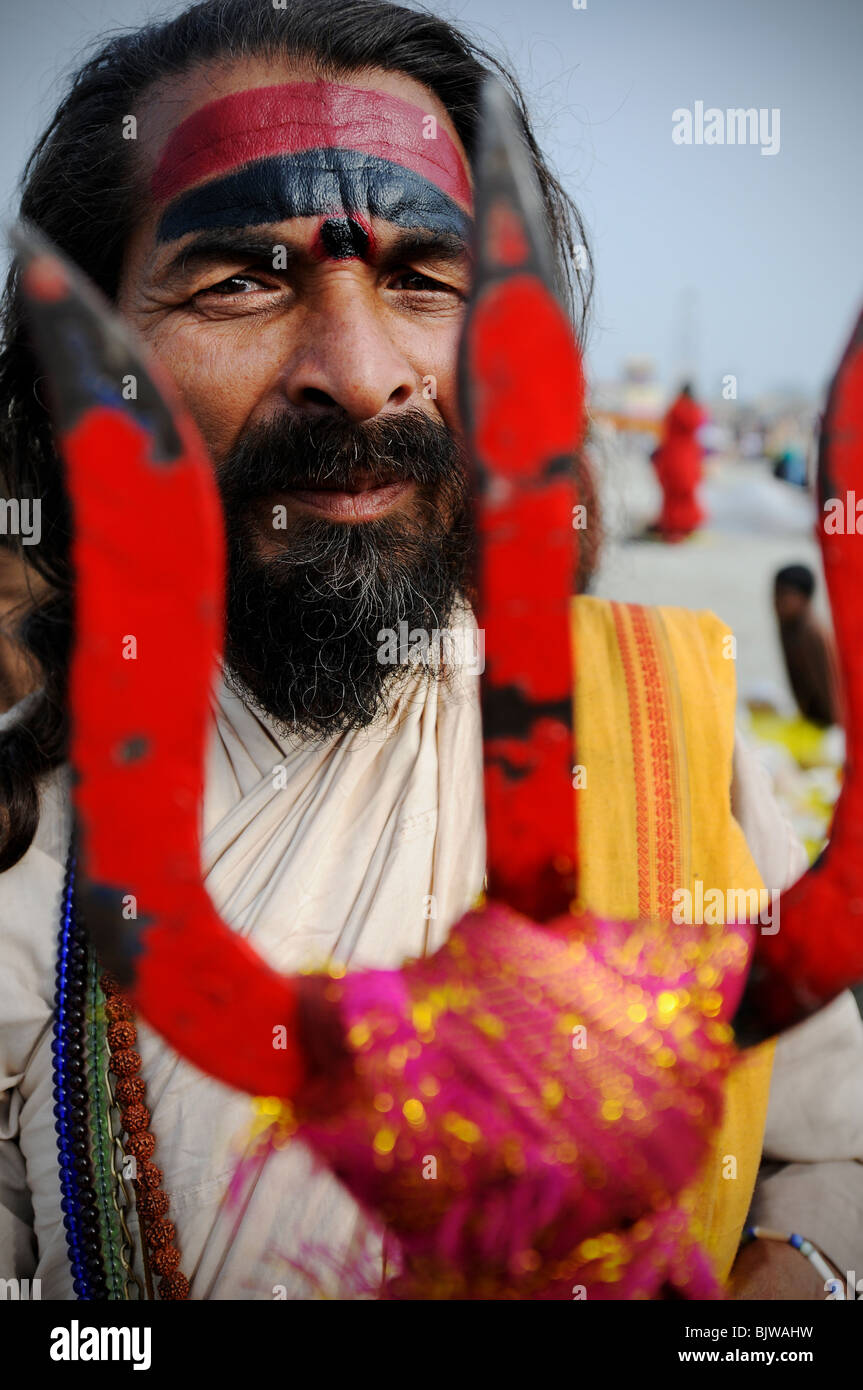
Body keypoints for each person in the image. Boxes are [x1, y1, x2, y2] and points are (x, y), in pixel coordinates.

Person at [1, 0, 861, 1300]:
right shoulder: (31, 820)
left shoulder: (652, 721)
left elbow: (826, 1147)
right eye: (241, 275)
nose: (360, 371)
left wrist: (785, 1281)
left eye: (419, 275)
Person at [774, 564, 841, 728]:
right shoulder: (789, 626)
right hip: (810, 722)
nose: (776, 601)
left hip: (827, 726)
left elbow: (833, 696)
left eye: (783, 595)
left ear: (804, 598)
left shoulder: (811, 632)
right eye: (775, 594)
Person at [649, 382, 706, 541]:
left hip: (672, 458)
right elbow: (698, 422)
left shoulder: (674, 409)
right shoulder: (690, 411)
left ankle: (673, 527)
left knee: (673, 496)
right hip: (686, 460)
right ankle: (682, 526)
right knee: (684, 495)